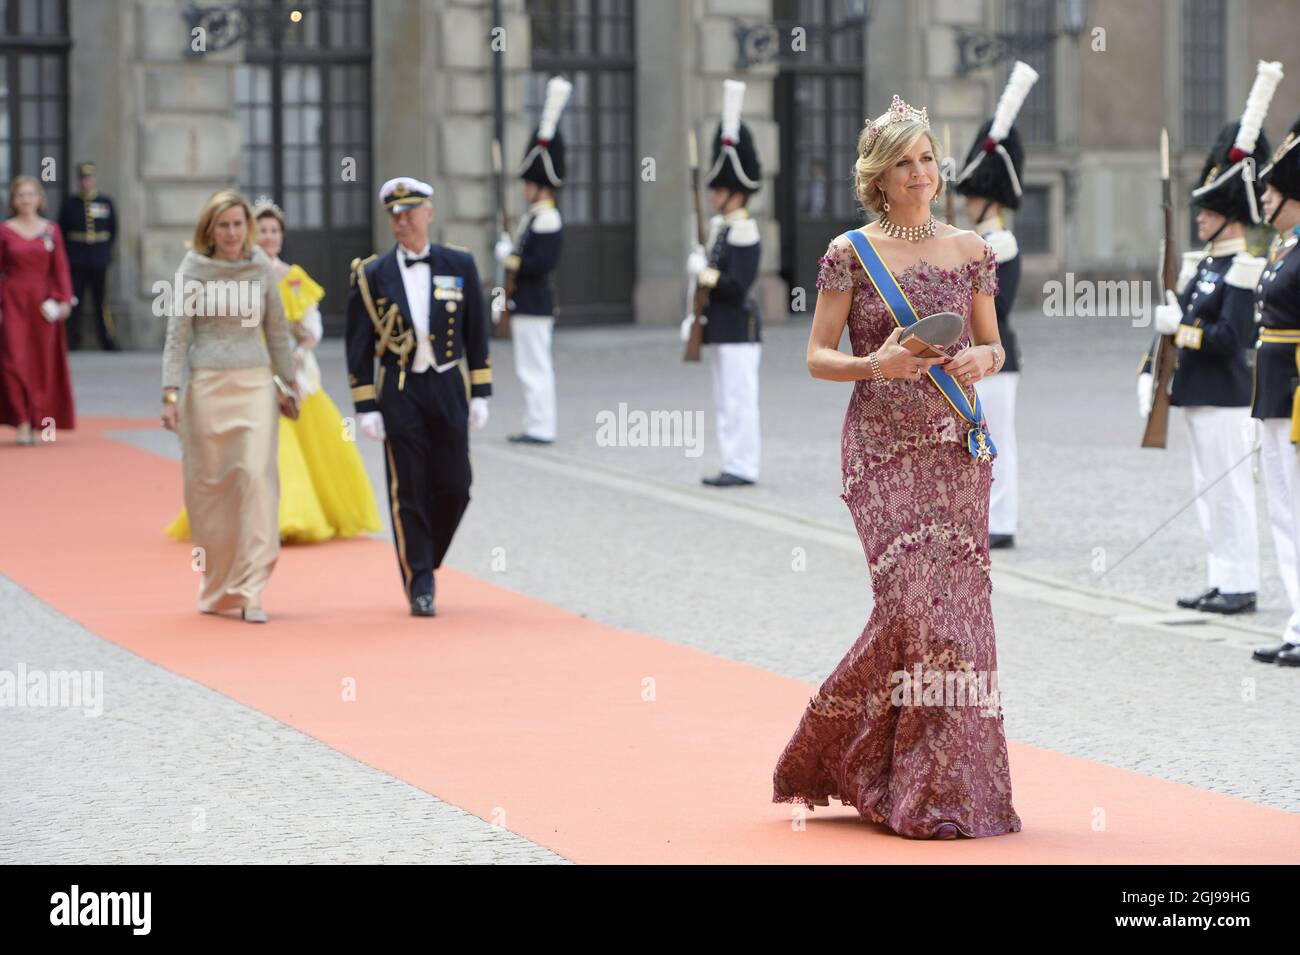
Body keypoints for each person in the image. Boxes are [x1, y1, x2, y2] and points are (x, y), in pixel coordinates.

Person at [771, 95, 1022, 839]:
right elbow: (817, 356)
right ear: (878, 178)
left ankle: (952, 789)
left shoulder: (972, 249)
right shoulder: (850, 252)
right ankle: (872, 762)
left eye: (927, 158)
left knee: (958, 626)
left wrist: (985, 357)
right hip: (881, 451)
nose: (921, 173)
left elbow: (994, 344)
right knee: (916, 609)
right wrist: (874, 365)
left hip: (955, 445)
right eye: (904, 162)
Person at [1138, 61, 1283, 615]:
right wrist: (1151, 369)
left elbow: (1229, 338)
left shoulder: (1243, 269)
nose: (1200, 221)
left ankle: (1242, 582)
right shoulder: (1203, 266)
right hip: (1198, 395)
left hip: (1225, 395)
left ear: (1229, 220)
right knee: (1209, 495)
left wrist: (1184, 332)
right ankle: (1223, 576)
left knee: (1232, 495)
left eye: (1209, 214)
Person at [164, 197, 382, 544]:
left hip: (284, 369)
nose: (267, 237)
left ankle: (282, 516)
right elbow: (181, 332)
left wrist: (293, 360)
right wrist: (171, 390)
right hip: (238, 370)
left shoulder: (292, 278)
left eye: (273, 231)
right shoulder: (220, 269)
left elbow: (304, 327)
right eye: (262, 230)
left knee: (278, 452)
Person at [346, 177, 492, 617]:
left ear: (429, 213)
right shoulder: (371, 275)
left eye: (410, 212)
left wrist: (481, 391)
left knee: (457, 485)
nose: (402, 221)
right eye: (394, 214)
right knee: (408, 486)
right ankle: (421, 580)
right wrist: (365, 405)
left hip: (447, 383)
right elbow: (357, 343)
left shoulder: (459, 263)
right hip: (401, 388)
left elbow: (477, 332)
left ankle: (427, 554)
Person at [161, 190, 298, 624]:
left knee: (256, 478)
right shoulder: (192, 270)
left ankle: (251, 588)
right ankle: (218, 587)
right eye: (224, 225)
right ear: (210, 230)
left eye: (239, 224)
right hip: (206, 387)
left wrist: (288, 383)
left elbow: (276, 330)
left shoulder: (260, 268)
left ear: (248, 228)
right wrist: (170, 393)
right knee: (209, 489)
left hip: (255, 383)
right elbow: (177, 336)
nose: (233, 233)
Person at [954, 60, 1039, 549]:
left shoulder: (998, 243)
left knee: (994, 438)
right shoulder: (978, 239)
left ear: (992, 199)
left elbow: (993, 306)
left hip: (996, 354)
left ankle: (1000, 521)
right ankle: (981, 516)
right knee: (974, 438)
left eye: (974, 196)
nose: (967, 203)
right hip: (973, 358)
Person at [687, 79, 763, 487]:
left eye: (719, 189)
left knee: (738, 400)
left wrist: (706, 274)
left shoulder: (745, 230)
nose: (714, 196)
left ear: (734, 193)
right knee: (724, 400)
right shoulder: (723, 227)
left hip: (738, 326)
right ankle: (733, 461)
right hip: (721, 326)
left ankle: (744, 465)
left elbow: (737, 284)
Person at [495, 75, 571, 445]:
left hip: (536, 302)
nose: (525, 189)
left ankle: (542, 425)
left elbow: (540, 263)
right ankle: (535, 421)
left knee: (536, 366)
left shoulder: (548, 219)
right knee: (529, 367)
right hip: (527, 301)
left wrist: (511, 260)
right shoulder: (536, 217)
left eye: (529, 183)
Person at [1250, 113, 1300, 666]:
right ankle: (1297, 620)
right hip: (1273, 393)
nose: (1264, 198)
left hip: (1297, 395)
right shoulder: (1284, 248)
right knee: (1284, 511)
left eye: (1271, 189)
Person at [0, 175, 75, 445]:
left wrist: (64, 299)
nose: (26, 200)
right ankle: (20, 420)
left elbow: (61, 268)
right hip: (13, 301)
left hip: (44, 304)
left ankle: (40, 418)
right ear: (13, 201)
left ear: (39, 199)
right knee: (12, 362)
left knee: (42, 363)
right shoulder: (4, 230)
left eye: (31, 194)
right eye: (20, 195)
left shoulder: (51, 230)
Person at [57, 161, 119, 351]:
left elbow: (113, 230)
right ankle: (72, 341)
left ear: (94, 179)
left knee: (101, 302)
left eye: (89, 178)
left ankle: (106, 340)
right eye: (83, 179)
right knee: (75, 301)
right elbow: (62, 232)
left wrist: (105, 252)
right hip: (76, 259)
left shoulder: (105, 202)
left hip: (99, 257)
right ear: (79, 181)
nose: (87, 182)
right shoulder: (70, 204)